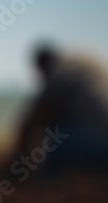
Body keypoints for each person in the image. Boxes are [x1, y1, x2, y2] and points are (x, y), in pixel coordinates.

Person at [16, 44, 108, 175]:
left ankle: (46, 185)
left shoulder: (59, 75)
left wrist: (17, 161)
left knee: (54, 137)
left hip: (100, 141)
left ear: (43, 68)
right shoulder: (82, 65)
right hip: (100, 139)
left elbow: (33, 121)